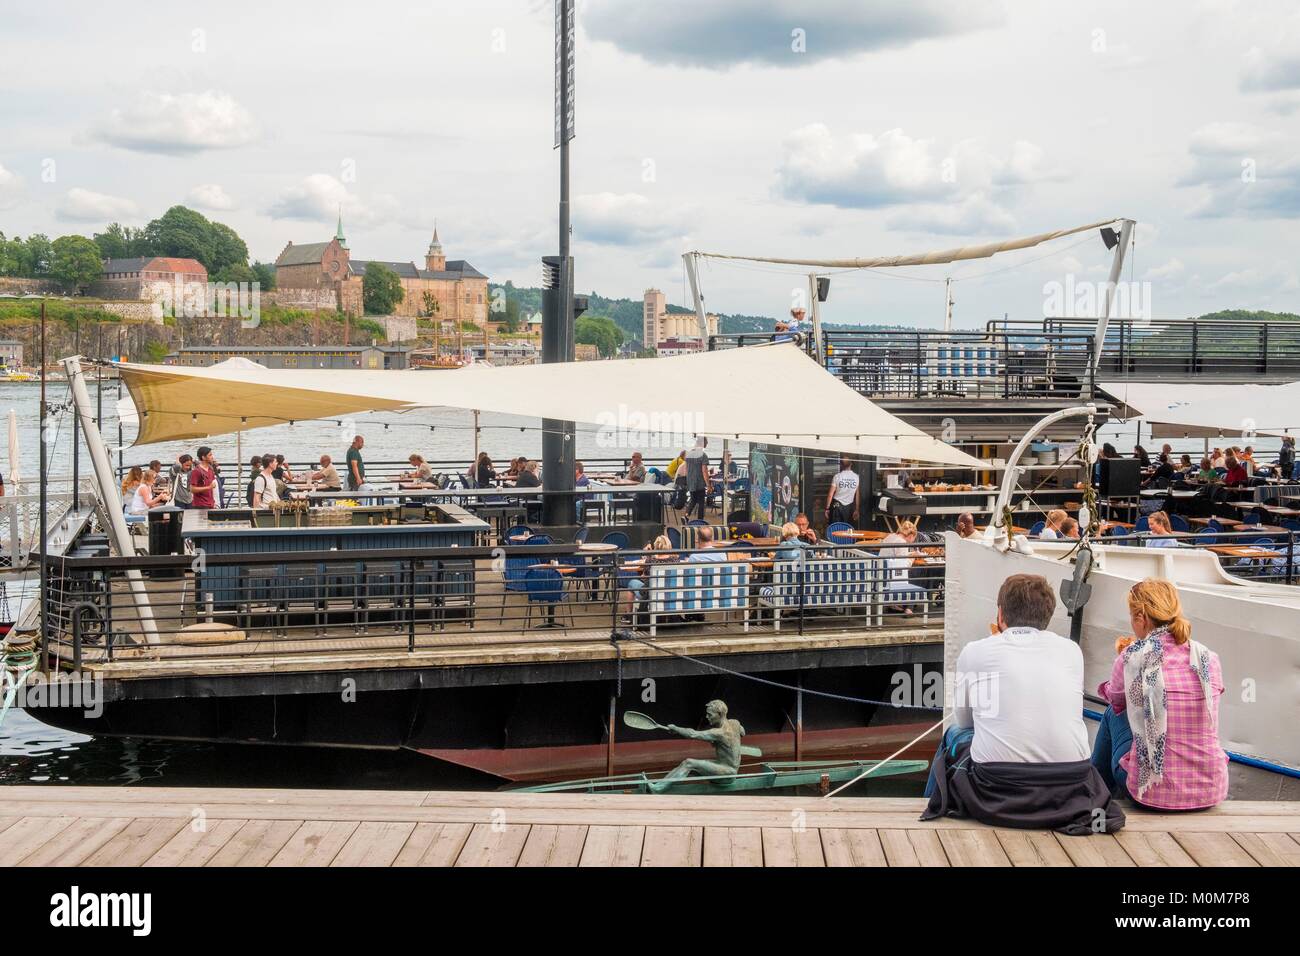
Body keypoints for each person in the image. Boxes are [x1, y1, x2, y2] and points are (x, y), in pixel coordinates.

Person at [921, 573, 1124, 834]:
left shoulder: (975, 651)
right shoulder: (1071, 650)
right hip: (1070, 783)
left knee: (953, 733)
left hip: (996, 788)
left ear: (1000, 613)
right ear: (1048, 615)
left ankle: (932, 805)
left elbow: (963, 720)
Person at [1091, 579, 1227, 810]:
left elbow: (1116, 702)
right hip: (1211, 790)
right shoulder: (1208, 658)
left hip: (1151, 795)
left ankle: (1094, 795)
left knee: (1111, 715)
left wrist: (1126, 669)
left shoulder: (1132, 657)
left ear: (1141, 618)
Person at [647, 700, 747, 793]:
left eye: (710, 714)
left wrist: (676, 729)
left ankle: (657, 789)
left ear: (720, 714)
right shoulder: (735, 723)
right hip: (727, 767)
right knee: (686, 766)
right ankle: (660, 785)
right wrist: (728, 744)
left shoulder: (719, 733)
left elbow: (693, 734)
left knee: (688, 763)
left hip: (727, 774)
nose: (707, 717)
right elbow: (742, 733)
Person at [825, 458, 860, 526]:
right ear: (851, 464)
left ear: (841, 465)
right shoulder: (856, 477)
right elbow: (857, 494)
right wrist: (857, 509)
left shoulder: (837, 476)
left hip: (837, 505)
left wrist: (827, 508)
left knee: (836, 528)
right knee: (848, 529)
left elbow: (830, 494)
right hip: (849, 507)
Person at [684, 437, 710, 521]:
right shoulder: (703, 455)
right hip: (699, 482)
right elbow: (704, 471)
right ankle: (700, 521)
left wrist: (688, 480)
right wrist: (708, 485)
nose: (706, 445)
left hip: (690, 481)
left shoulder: (689, 454)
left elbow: (686, 469)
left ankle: (686, 516)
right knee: (701, 502)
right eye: (706, 443)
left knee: (693, 500)